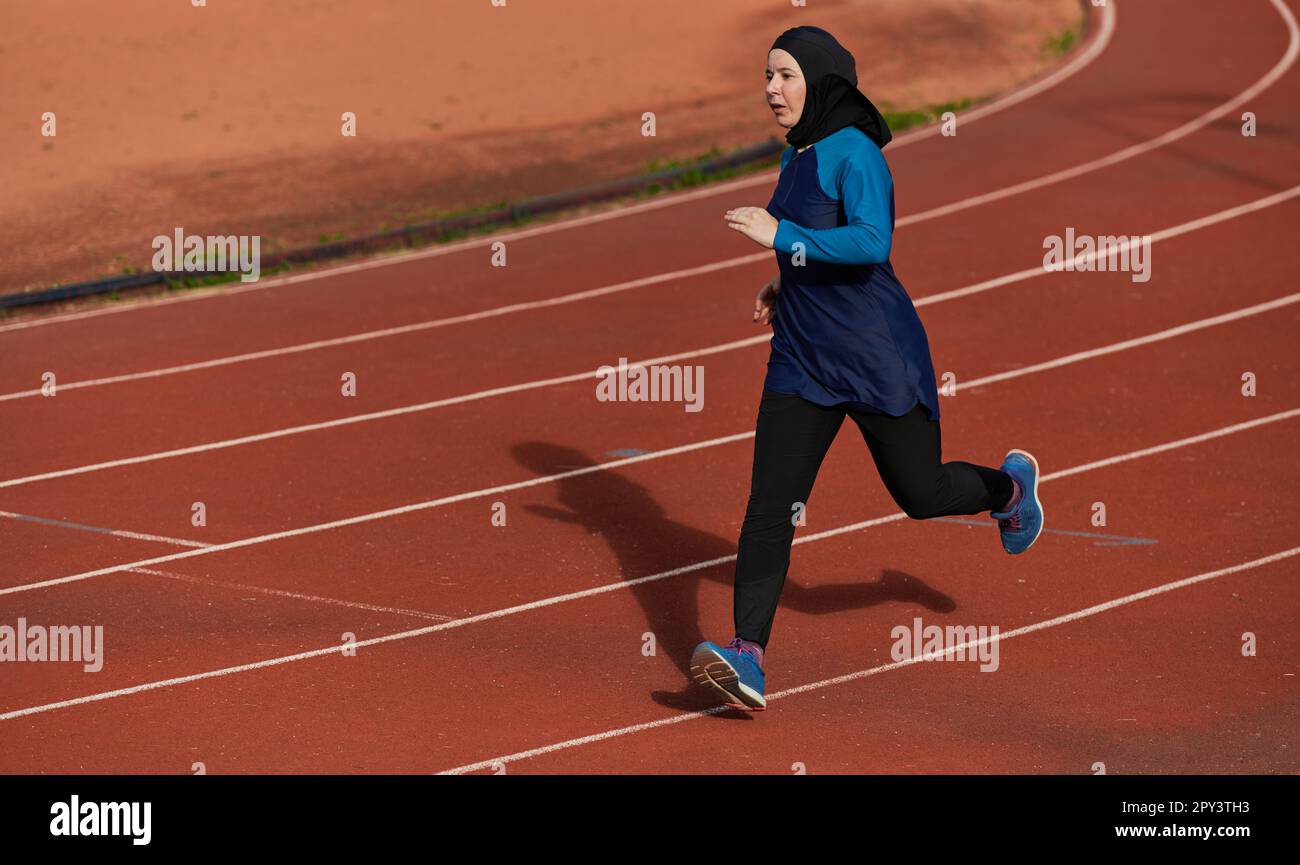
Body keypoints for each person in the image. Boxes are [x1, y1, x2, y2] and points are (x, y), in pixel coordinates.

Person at [690, 25, 1044, 711]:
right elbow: (816, 244)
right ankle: (747, 657)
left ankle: (1008, 491)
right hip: (802, 358)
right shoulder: (797, 154)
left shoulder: (855, 153)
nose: (772, 90)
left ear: (821, 83)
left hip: (873, 353)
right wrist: (785, 280)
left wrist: (781, 235)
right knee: (770, 506)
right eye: (767, 76)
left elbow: (871, 241)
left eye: (786, 76)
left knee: (920, 492)